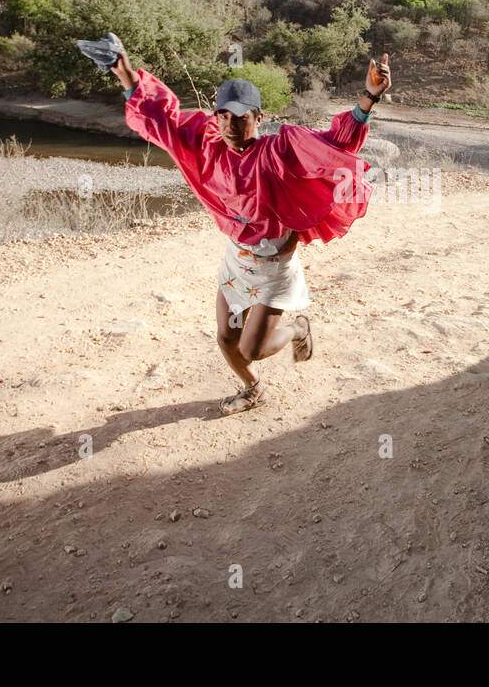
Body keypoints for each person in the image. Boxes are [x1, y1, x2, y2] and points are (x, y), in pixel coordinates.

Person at [76, 33, 391, 415]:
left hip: (274, 268)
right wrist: (123, 70)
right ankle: (253, 389)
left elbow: (332, 145)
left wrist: (368, 99)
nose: (231, 123)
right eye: (224, 115)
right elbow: (161, 116)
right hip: (236, 261)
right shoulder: (203, 146)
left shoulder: (278, 152)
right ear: (216, 116)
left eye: (242, 116)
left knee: (252, 349)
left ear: (259, 118)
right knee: (226, 338)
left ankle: (297, 328)